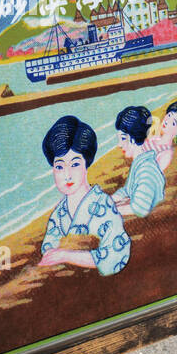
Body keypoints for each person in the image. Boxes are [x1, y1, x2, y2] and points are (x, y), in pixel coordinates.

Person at [38, 115, 130, 276]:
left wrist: (66, 255)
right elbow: (48, 248)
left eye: (74, 164)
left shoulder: (103, 205)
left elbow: (116, 256)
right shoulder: (59, 213)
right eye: (59, 166)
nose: (67, 175)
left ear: (86, 165)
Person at [111, 104, 166, 217]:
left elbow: (141, 208)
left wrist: (110, 211)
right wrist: (108, 201)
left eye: (122, 138)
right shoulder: (140, 163)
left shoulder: (146, 169)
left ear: (132, 138)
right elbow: (127, 190)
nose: (119, 145)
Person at [138, 98, 177, 174]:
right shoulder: (153, 137)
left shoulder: (166, 153)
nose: (167, 121)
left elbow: (151, 174)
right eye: (169, 115)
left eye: (173, 123)